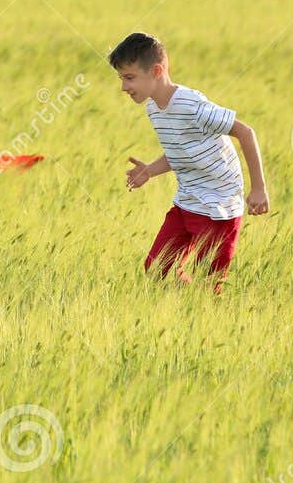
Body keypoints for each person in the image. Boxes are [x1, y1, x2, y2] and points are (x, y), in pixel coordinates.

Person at [111, 32, 270, 290]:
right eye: (121, 78)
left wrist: (259, 189)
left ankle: (210, 313)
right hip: (187, 202)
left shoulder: (191, 105)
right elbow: (181, 151)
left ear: (156, 70)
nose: (123, 87)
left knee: (209, 282)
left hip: (219, 207)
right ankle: (185, 305)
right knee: (156, 268)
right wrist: (149, 171)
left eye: (129, 78)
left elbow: (245, 132)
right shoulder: (154, 108)